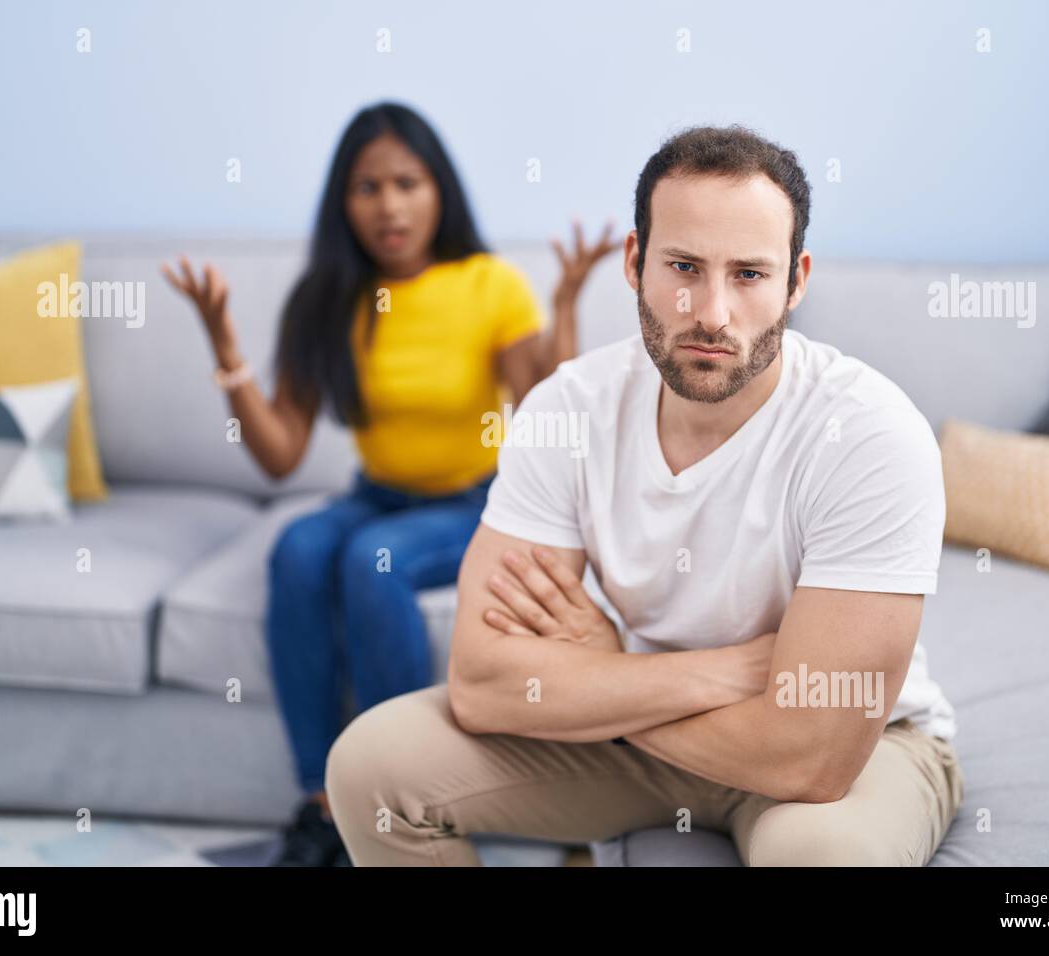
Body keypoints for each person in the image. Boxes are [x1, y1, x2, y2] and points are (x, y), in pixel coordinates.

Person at [323, 124, 965, 866]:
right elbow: (481, 681)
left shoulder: (869, 434)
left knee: (821, 857)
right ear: (635, 262)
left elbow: (812, 754)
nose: (713, 313)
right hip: (640, 717)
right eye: (684, 266)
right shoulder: (568, 410)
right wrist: (709, 671)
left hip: (857, 754)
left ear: (797, 279)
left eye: (750, 274)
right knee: (371, 766)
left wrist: (607, 672)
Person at [161, 101, 618, 867]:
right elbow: (279, 455)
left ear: (439, 189)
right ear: (344, 203)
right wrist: (226, 351)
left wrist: (565, 308)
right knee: (299, 548)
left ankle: (405, 792)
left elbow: (546, 412)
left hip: (473, 498)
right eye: (367, 187)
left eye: (407, 181)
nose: (390, 205)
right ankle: (321, 802)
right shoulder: (328, 298)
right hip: (378, 490)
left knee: (368, 563)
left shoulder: (487, 284)